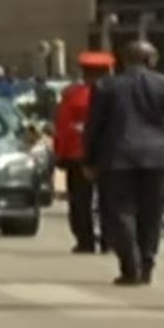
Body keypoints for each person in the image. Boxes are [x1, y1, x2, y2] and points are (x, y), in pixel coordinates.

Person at [84, 41, 164, 286]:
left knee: (120, 212)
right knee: (151, 213)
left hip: (117, 157)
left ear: (124, 60)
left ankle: (131, 265)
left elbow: (94, 127)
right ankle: (147, 265)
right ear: (152, 61)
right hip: (157, 158)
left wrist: (89, 159)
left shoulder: (106, 86)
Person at [52, 51, 115, 254]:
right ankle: (109, 240)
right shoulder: (116, 93)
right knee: (110, 199)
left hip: (76, 154)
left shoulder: (72, 94)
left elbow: (62, 126)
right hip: (109, 153)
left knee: (80, 201)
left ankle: (85, 241)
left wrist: (60, 153)